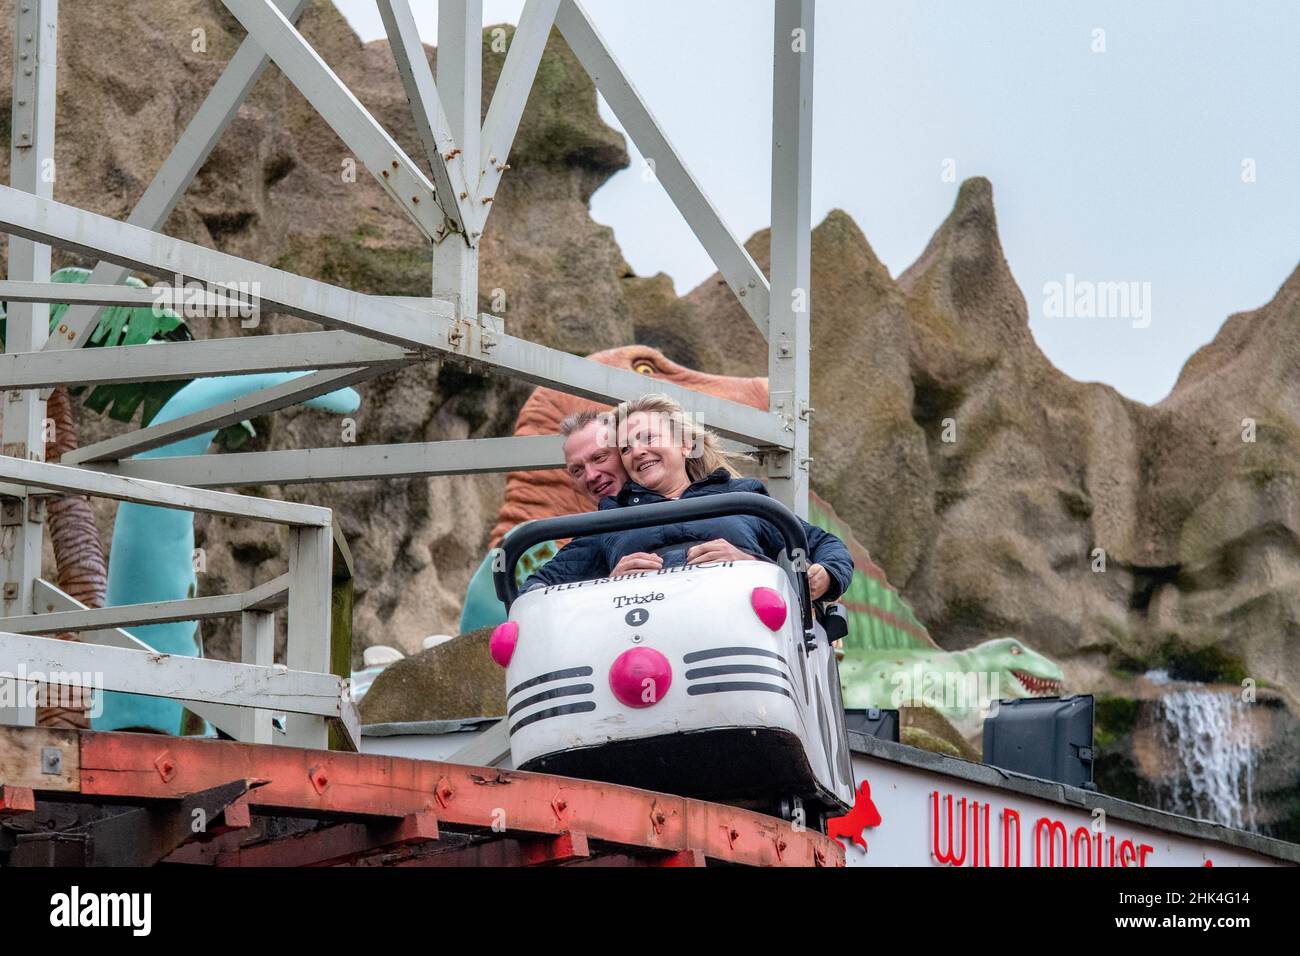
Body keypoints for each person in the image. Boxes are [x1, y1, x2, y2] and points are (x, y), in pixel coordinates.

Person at [523, 394, 853, 602]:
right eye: (626, 448)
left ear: (684, 444)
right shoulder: (612, 521)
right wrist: (606, 589)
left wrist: (763, 568)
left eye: (647, 437)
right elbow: (539, 588)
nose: (638, 450)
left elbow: (823, 545)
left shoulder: (742, 499)